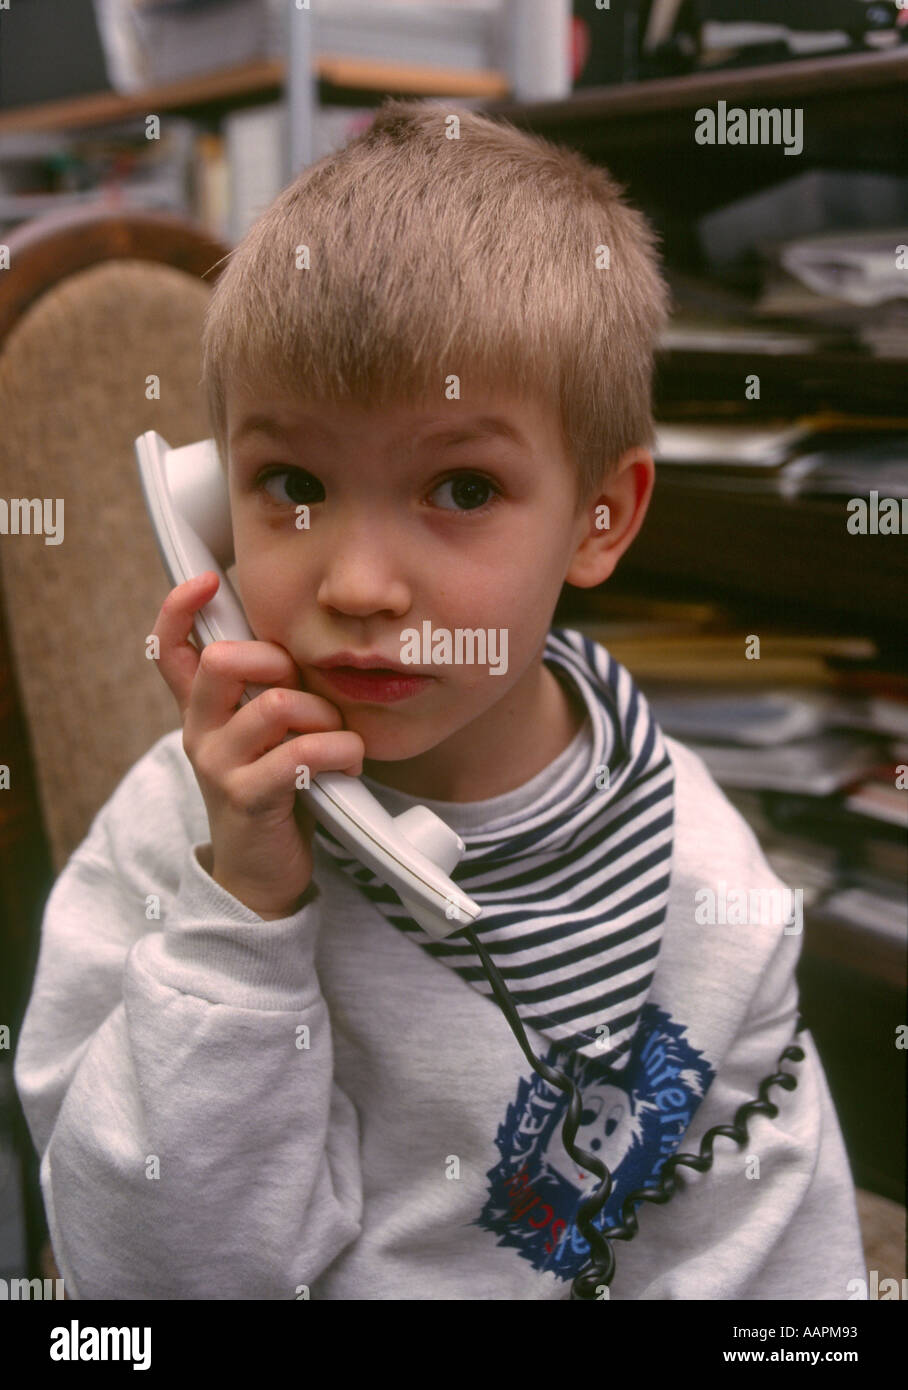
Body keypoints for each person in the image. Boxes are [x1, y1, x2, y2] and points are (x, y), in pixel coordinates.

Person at [14, 100, 866, 1300]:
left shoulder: (698, 873)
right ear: (206, 507)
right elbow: (144, 1278)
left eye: (461, 486)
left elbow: (777, 1273)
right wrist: (242, 916)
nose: (357, 585)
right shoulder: (178, 843)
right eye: (293, 482)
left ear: (599, 516)